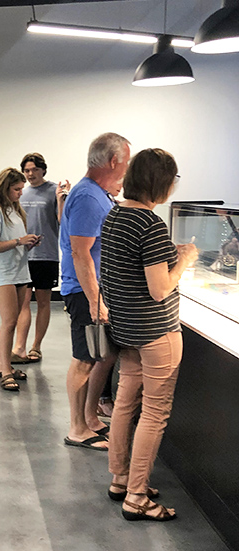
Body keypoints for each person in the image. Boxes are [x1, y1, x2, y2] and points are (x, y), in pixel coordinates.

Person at [101, 148, 197, 521]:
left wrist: (167, 254)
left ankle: (120, 479)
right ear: (161, 182)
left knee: (125, 403)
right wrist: (184, 262)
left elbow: (128, 266)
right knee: (155, 413)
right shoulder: (151, 224)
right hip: (156, 331)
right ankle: (137, 497)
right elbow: (159, 289)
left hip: (126, 329)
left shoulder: (115, 216)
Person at [60, 132, 131, 451]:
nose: (127, 169)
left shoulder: (99, 194)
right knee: (85, 359)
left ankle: (90, 418)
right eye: (126, 161)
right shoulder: (88, 196)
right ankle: (77, 427)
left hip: (98, 291)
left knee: (102, 356)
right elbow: (80, 253)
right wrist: (94, 300)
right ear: (114, 161)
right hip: (85, 292)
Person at [0, 169, 40, 392]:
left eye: (21, 189)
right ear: (5, 188)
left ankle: (4, 365)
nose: (20, 193)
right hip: (3, 273)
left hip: (19, 271)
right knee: (8, 322)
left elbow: (13, 241)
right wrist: (19, 241)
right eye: (16, 189)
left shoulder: (15, 211)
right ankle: (5, 369)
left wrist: (27, 243)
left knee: (13, 320)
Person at [13, 153, 70, 363]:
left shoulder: (54, 191)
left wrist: (60, 199)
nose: (30, 174)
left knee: (43, 301)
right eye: (27, 170)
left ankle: (36, 346)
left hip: (47, 254)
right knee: (24, 301)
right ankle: (19, 347)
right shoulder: (21, 193)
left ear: (42, 170)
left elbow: (62, 221)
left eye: (34, 170)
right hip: (24, 255)